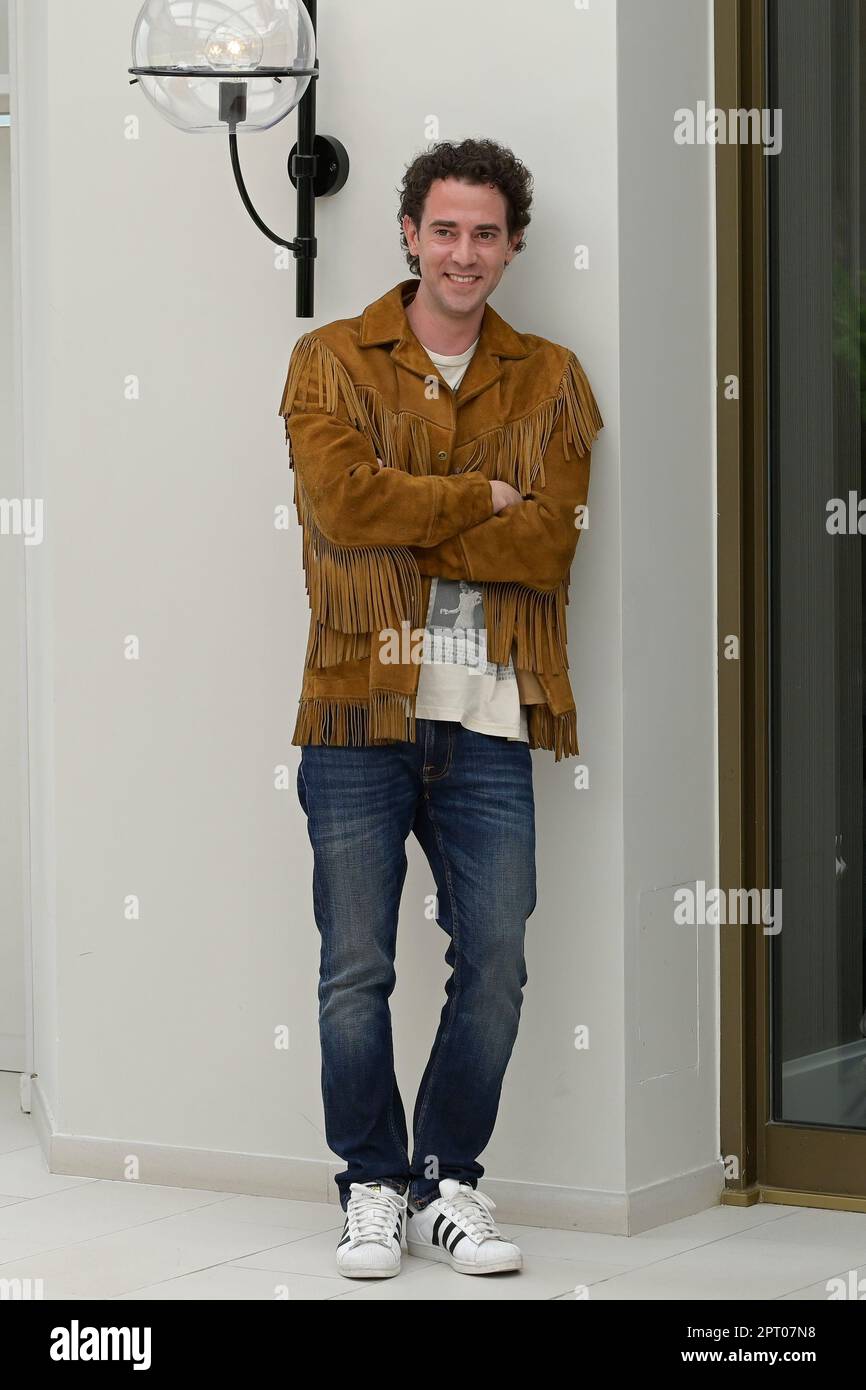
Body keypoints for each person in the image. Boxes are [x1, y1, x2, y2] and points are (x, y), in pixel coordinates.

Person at [279, 137, 604, 1279]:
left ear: (510, 247)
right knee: (354, 965)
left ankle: (447, 1180)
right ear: (409, 234)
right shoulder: (328, 361)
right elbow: (342, 507)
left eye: (485, 233)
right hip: (354, 712)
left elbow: (548, 545)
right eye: (444, 229)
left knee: (498, 958)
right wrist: (479, 496)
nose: (463, 251)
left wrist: (418, 507)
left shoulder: (554, 377)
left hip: (487, 718)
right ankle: (369, 1184)